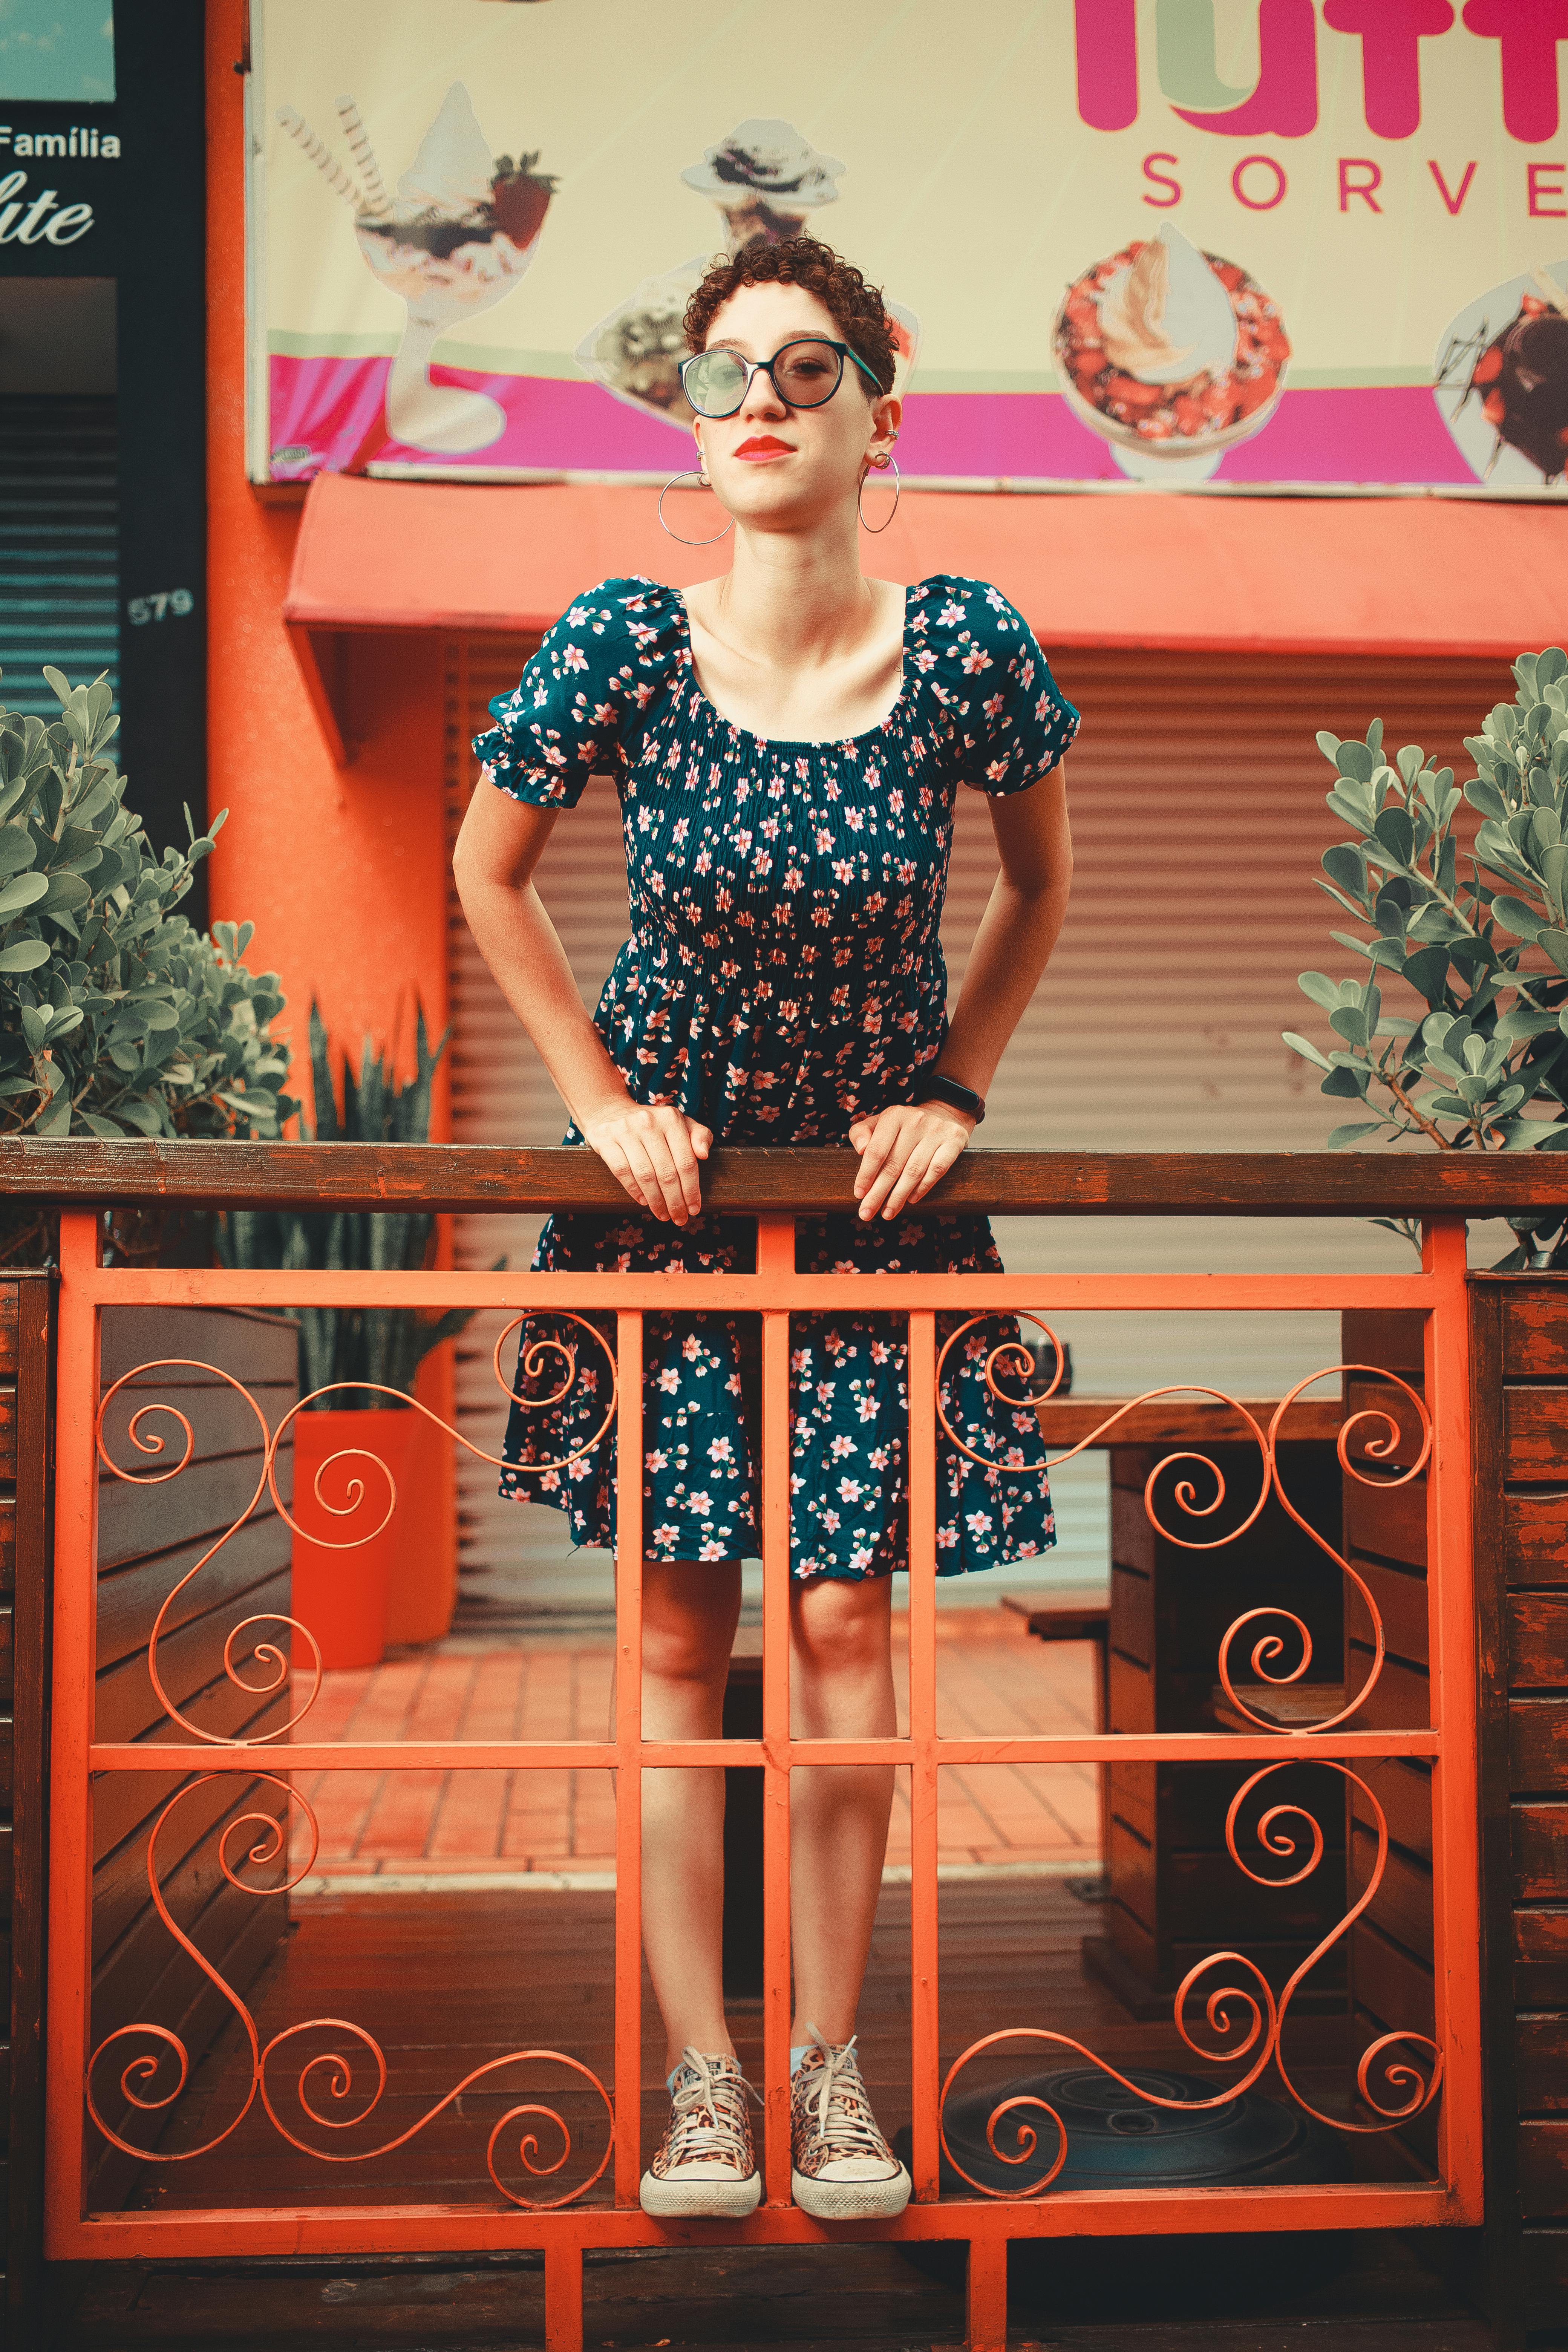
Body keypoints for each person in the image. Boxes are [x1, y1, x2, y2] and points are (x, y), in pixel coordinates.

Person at [453, 235, 1078, 2222]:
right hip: (673, 1212)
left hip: (874, 1218)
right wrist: (593, 1097)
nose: (759, 402)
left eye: (810, 371)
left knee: (842, 1623)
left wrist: (954, 1087)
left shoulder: (970, 644)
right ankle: (702, 2083)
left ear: (886, 412)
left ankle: (832, 2071)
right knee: (672, 1626)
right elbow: (489, 870)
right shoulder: (624, 639)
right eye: (724, 371)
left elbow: (1037, 892)